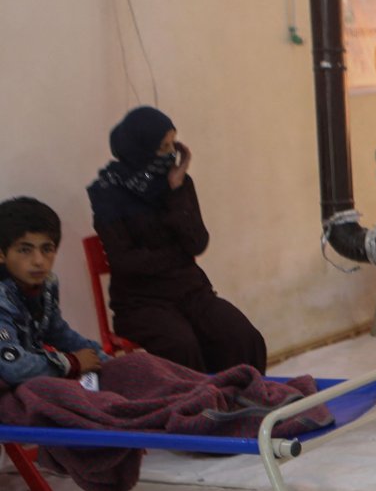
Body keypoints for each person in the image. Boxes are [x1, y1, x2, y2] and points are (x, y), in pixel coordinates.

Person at [87, 106, 268, 374]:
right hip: (140, 302)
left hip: (191, 292)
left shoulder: (178, 183)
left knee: (242, 336)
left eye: (174, 143)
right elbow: (125, 261)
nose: (171, 153)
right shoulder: (108, 194)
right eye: (163, 146)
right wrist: (175, 255)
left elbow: (197, 243)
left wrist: (175, 190)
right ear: (140, 148)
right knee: (182, 345)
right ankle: (196, 411)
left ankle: (244, 403)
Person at [0, 196, 108, 387]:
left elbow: (58, 332)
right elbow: (13, 367)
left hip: (33, 377)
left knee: (136, 367)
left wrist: (102, 358)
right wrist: (72, 363)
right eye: (25, 250)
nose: (39, 261)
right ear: (2, 254)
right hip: (10, 388)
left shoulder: (47, 284)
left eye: (47, 249)